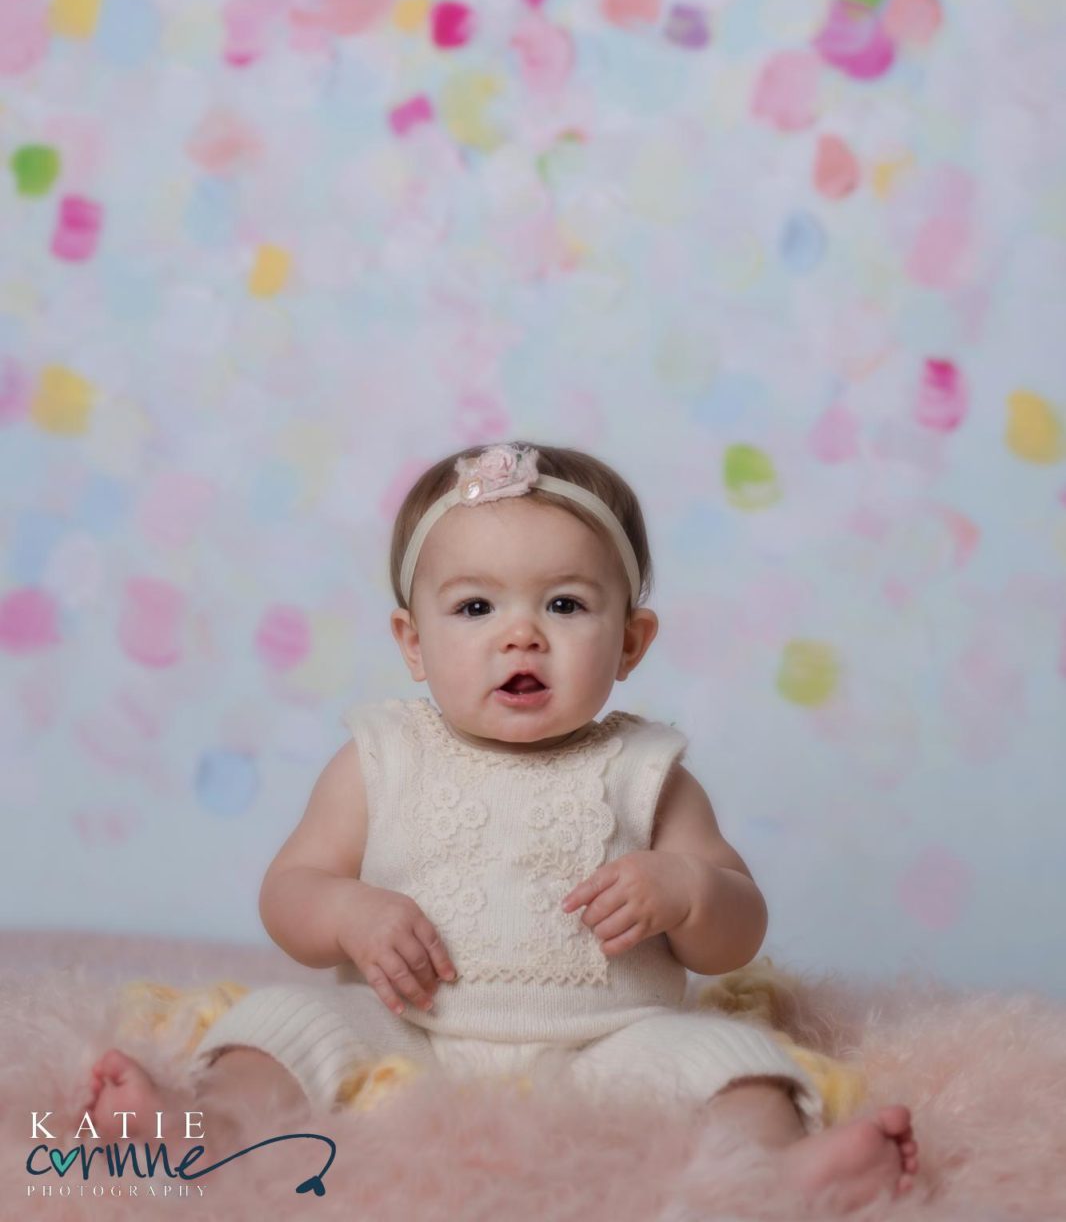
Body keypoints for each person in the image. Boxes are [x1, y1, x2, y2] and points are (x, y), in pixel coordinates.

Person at [85, 441, 918, 1208]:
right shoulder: (383, 757)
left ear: (631, 642)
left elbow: (736, 932)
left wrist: (688, 890)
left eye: (563, 604)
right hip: (407, 1026)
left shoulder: (649, 774)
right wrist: (348, 912)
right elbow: (290, 891)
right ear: (413, 643)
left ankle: (772, 1176)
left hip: (610, 1040)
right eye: (476, 606)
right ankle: (210, 1133)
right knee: (277, 1025)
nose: (521, 634)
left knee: (736, 1065)